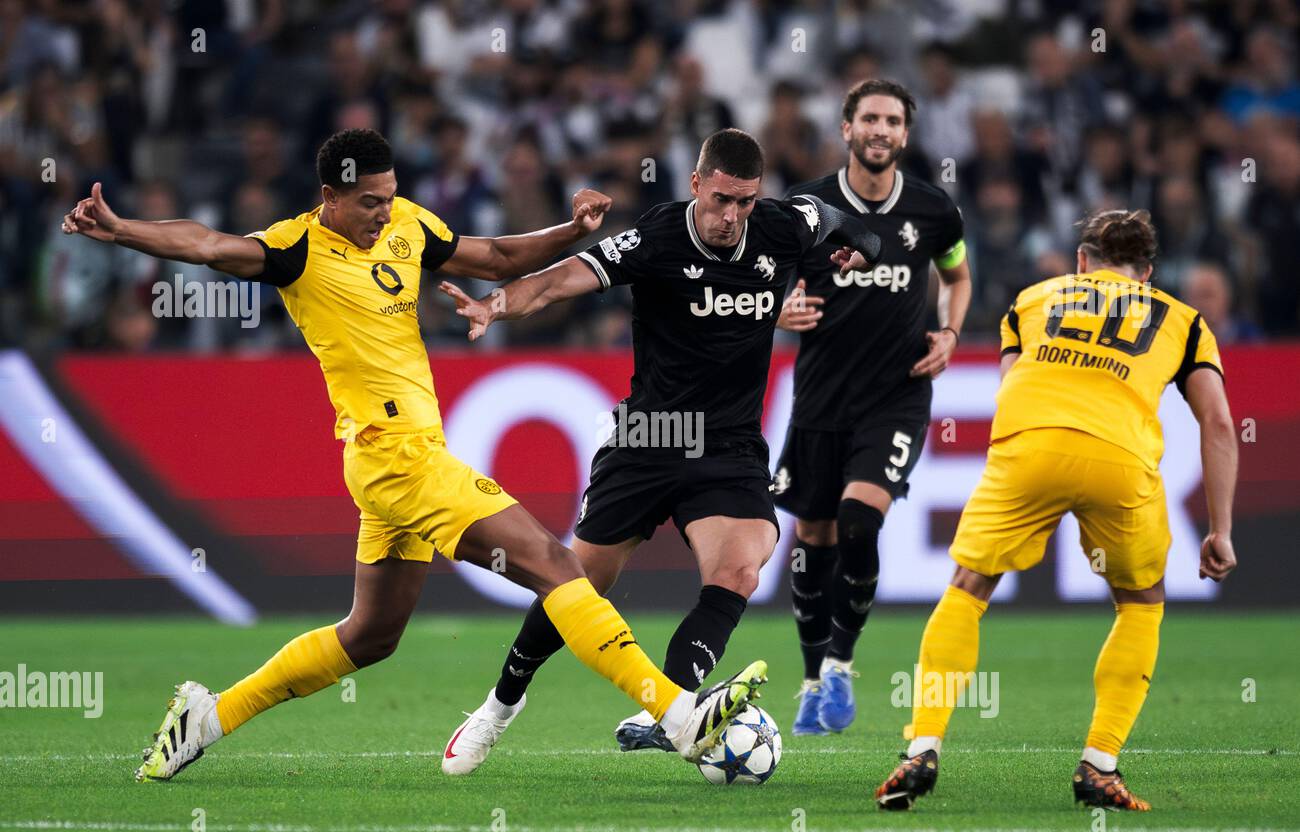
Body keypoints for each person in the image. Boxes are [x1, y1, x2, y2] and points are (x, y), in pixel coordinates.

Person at [60, 128, 768, 781]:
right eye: (369, 201)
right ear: (329, 196)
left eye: (391, 196)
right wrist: (123, 232)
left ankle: (209, 715)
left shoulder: (406, 226)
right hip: (395, 459)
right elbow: (208, 244)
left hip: (401, 460)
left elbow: (493, 257)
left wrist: (569, 231)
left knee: (369, 636)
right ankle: (678, 715)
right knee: (557, 565)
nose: (383, 212)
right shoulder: (296, 248)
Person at [437, 128, 884, 772]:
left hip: (728, 442)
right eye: (722, 199)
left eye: (746, 202)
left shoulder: (782, 227)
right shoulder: (657, 237)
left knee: (740, 569)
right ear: (697, 184)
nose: (733, 216)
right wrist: (495, 307)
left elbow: (845, 219)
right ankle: (500, 705)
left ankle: (668, 711)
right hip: (651, 437)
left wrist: (856, 250)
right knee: (578, 581)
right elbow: (564, 280)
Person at [874, 209, 1238, 812]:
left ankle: (923, 746)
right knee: (1141, 604)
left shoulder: (1032, 299)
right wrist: (1220, 529)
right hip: (1118, 459)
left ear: (1080, 262)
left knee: (967, 587)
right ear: (1147, 273)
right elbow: (1219, 423)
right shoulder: (1185, 320)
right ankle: (1099, 764)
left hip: (1029, 447)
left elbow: (1012, 386)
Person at [773, 79, 970, 735]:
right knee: (812, 540)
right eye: (870, 119)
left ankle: (840, 664)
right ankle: (809, 680)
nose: (881, 130)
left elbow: (959, 274)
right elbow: (758, 281)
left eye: (892, 121)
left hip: (896, 396)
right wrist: (781, 309)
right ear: (847, 129)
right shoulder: (806, 208)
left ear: (905, 135)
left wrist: (949, 331)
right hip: (820, 400)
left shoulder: (934, 210)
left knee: (860, 519)